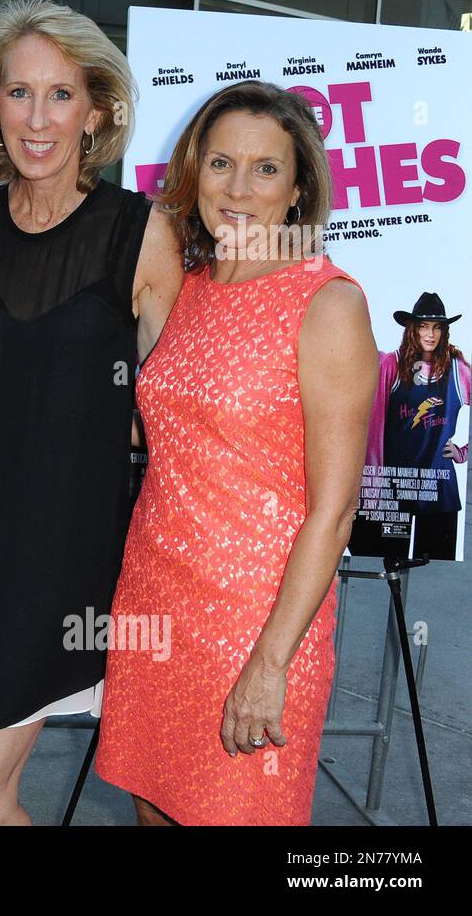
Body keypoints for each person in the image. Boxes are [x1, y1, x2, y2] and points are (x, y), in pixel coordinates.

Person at [0, 0, 182, 825]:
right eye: (18, 92)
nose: (38, 118)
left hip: (71, 560)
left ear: (96, 110)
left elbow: (175, 409)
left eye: (61, 95)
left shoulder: (142, 234)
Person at [96, 80, 377, 825]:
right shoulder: (184, 288)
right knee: (153, 810)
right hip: (156, 605)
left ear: (297, 189)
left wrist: (270, 663)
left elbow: (336, 508)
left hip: (256, 624)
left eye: (266, 169)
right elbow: (161, 428)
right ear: (194, 172)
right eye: (221, 164)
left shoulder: (328, 305)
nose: (239, 189)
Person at [365, 293, 469, 559]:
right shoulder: (392, 364)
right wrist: (371, 487)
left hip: (439, 490)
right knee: (387, 570)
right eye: (424, 326)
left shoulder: (458, 369)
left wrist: (462, 452)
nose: (430, 334)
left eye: (437, 327)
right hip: (394, 489)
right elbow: (373, 427)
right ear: (412, 328)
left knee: (433, 580)